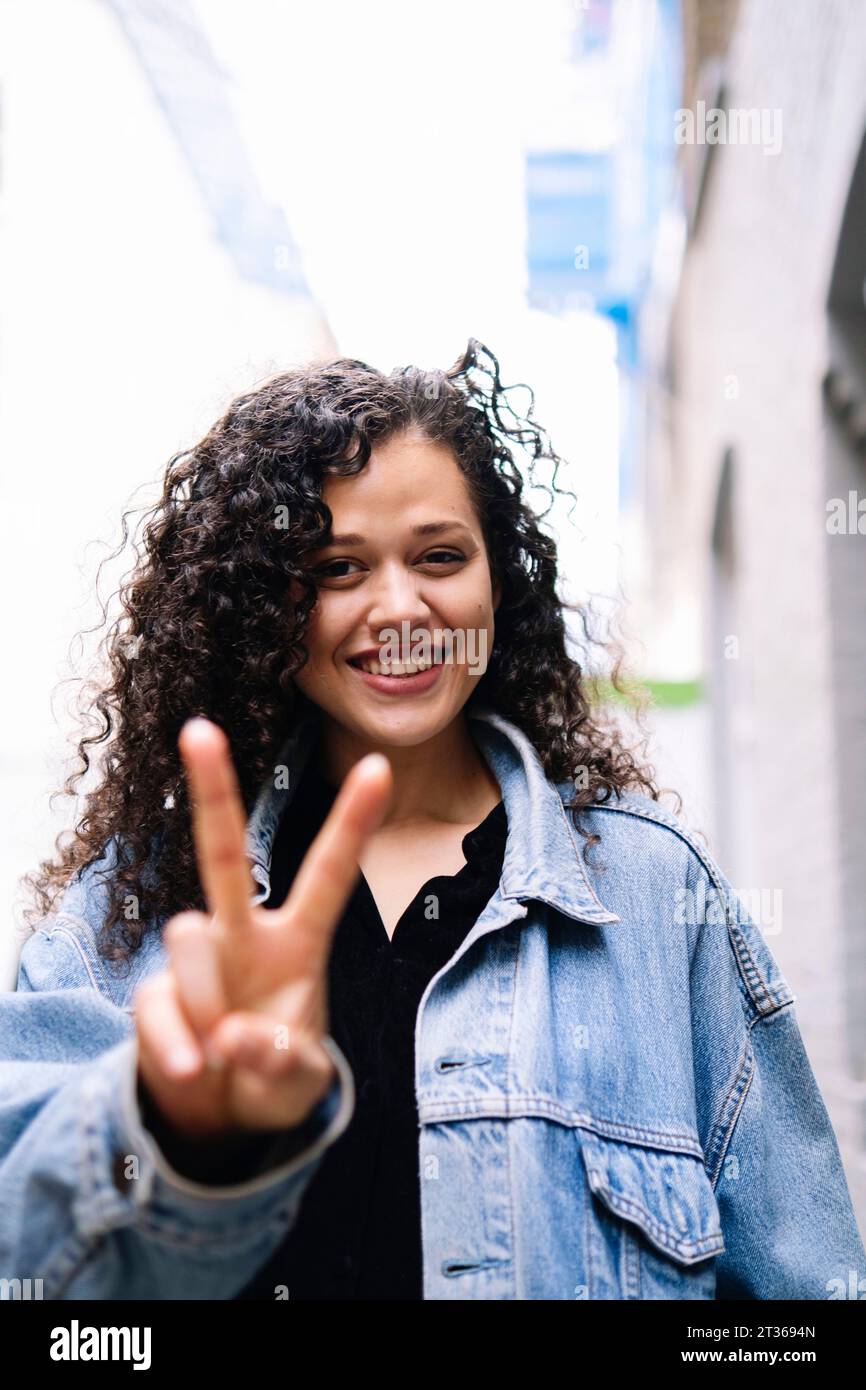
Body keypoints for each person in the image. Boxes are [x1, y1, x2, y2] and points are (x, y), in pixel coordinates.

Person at [1, 340, 863, 1301]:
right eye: (337, 568)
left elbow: (803, 1300)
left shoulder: (659, 895)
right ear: (263, 606)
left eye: (439, 556)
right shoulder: (125, 913)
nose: (401, 607)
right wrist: (180, 1139)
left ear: (499, 580)